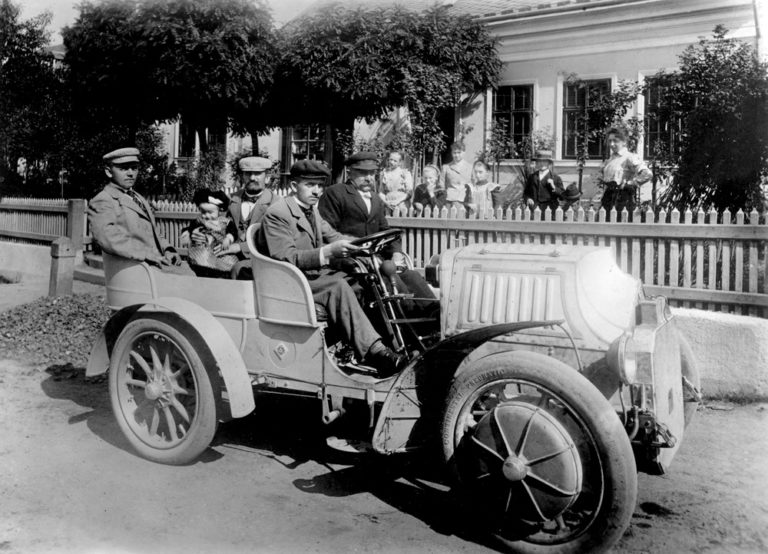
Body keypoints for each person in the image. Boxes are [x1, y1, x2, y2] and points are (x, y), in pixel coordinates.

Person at [257, 159, 405, 378]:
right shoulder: (278, 213)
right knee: (338, 285)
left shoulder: (311, 210)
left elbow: (335, 237)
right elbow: (286, 257)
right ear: (293, 185)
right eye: (310, 185)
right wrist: (327, 252)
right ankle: (376, 353)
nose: (317, 191)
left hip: (310, 277)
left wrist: (363, 246)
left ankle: (386, 344)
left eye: (320, 186)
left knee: (364, 279)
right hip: (290, 280)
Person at [319, 151, 437, 315]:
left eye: (372, 173)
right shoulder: (336, 193)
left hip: (376, 262)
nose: (368, 178)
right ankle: (407, 331)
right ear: (350, 172)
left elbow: (385, 230)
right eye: (362, 173)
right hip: (349, 262)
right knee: (395, 286)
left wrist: (396, 253)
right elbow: (325, 233)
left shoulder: (375, 199)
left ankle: (434, 321)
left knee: (413, 277)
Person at [88, 147, 192, 275]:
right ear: (109, 172)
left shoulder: (137, 197)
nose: (131, 173)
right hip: (134, 269)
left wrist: (168, 250)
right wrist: (148, 255)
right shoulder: (103, 200)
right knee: (195, 280)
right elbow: (108, 238)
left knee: (201, 273)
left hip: (155, 264)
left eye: (134, 168)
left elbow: (153, 233)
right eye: (124, 169)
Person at [181, 189, 239, 278]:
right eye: (203, 212)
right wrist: (188, 233)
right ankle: (203, 273)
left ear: (219, 211)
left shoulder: (226, 222)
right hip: (204, 249)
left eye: (210, 212)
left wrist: (228, 238)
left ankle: (221, 275)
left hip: (220, 250)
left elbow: (233, 231)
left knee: (226, 263)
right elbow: (191, 227)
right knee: (200, 260)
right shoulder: (200, 220)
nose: (207, 216)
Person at [599, 127, 652, 216]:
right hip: (608, 198)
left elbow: (647, 174)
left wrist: (630, 183)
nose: (611, 144)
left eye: (615, 141)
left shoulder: (629, 157)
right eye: (610, 141)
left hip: (623, 198)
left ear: (624, 142)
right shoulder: (611, 159)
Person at [378, 150, 413, 215]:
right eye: (390, 159)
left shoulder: (405, 173)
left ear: (400, 162)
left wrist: (398, 201)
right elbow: (381, 192)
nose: (391, 162)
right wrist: (386, 202)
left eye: (395, 161)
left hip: (402, 203)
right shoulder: (384, 173)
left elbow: (409, 193)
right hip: (388, 202)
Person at [441, 141, 473, 210]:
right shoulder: (446, 167)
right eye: (454, 153)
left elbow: (473, 185)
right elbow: (441, 185)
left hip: (464, 200)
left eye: (459, 152)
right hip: (449, 200)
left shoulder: (470, 167)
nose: (456, 155)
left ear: (464, 153)